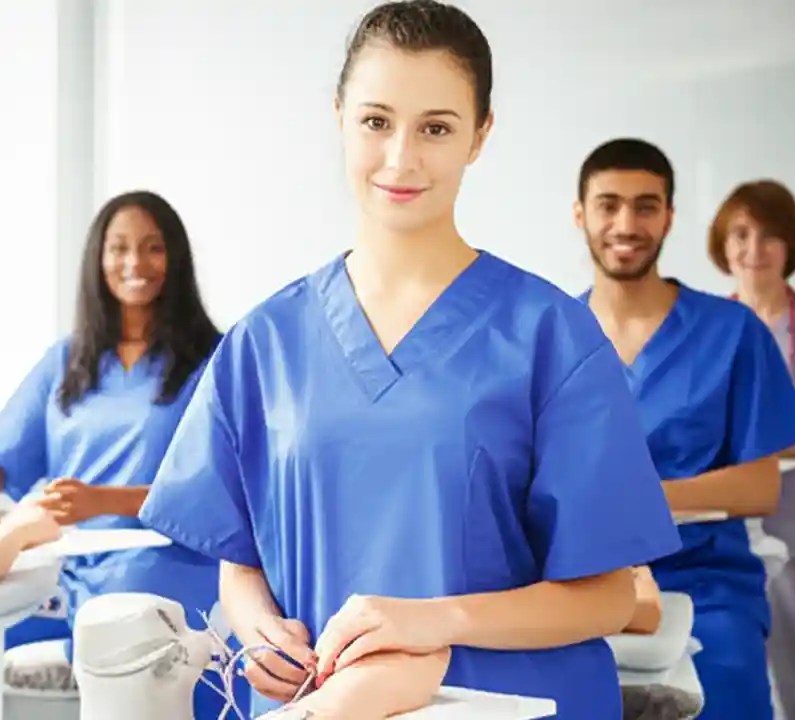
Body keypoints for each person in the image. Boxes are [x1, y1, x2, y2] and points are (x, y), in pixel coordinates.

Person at [138, 2, 683, 717]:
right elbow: (238, 559)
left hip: (505, 700)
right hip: (321, 701)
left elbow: (612, 595)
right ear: (338, 115)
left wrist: (438, 623)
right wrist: (255, 625)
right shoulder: (265, 341)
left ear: (480, 136)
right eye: (376, 121)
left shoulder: (552, 335)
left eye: (435, 127)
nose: (401, 157)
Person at [0, 190, 246, 719]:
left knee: (131, 659)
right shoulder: (66, 360)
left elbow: (219, 488)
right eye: (119, 248)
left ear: (175, 258)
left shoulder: (214, 362)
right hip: (61, 568)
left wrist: (100, 499)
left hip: (156, 562)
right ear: (98, 259)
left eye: (153, 248)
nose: (135, 263)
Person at [575, 140, 795, 720]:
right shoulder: (550, 337)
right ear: (580, 214)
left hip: (705, 583)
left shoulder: (732, 333)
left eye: (646, 205)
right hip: (576, 584)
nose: (626, 224)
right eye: (608, 205)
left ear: (670, 217)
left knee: (723, 687)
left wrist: (642, 502)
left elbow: (760, 488)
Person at [708, 179, 795, 720]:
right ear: (722, 244)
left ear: (792, 246)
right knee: (734, 679)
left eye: (769, 235)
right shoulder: (707, 327)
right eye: (740, 234)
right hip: (721, 533)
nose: (753, 249)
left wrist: (752, 430)